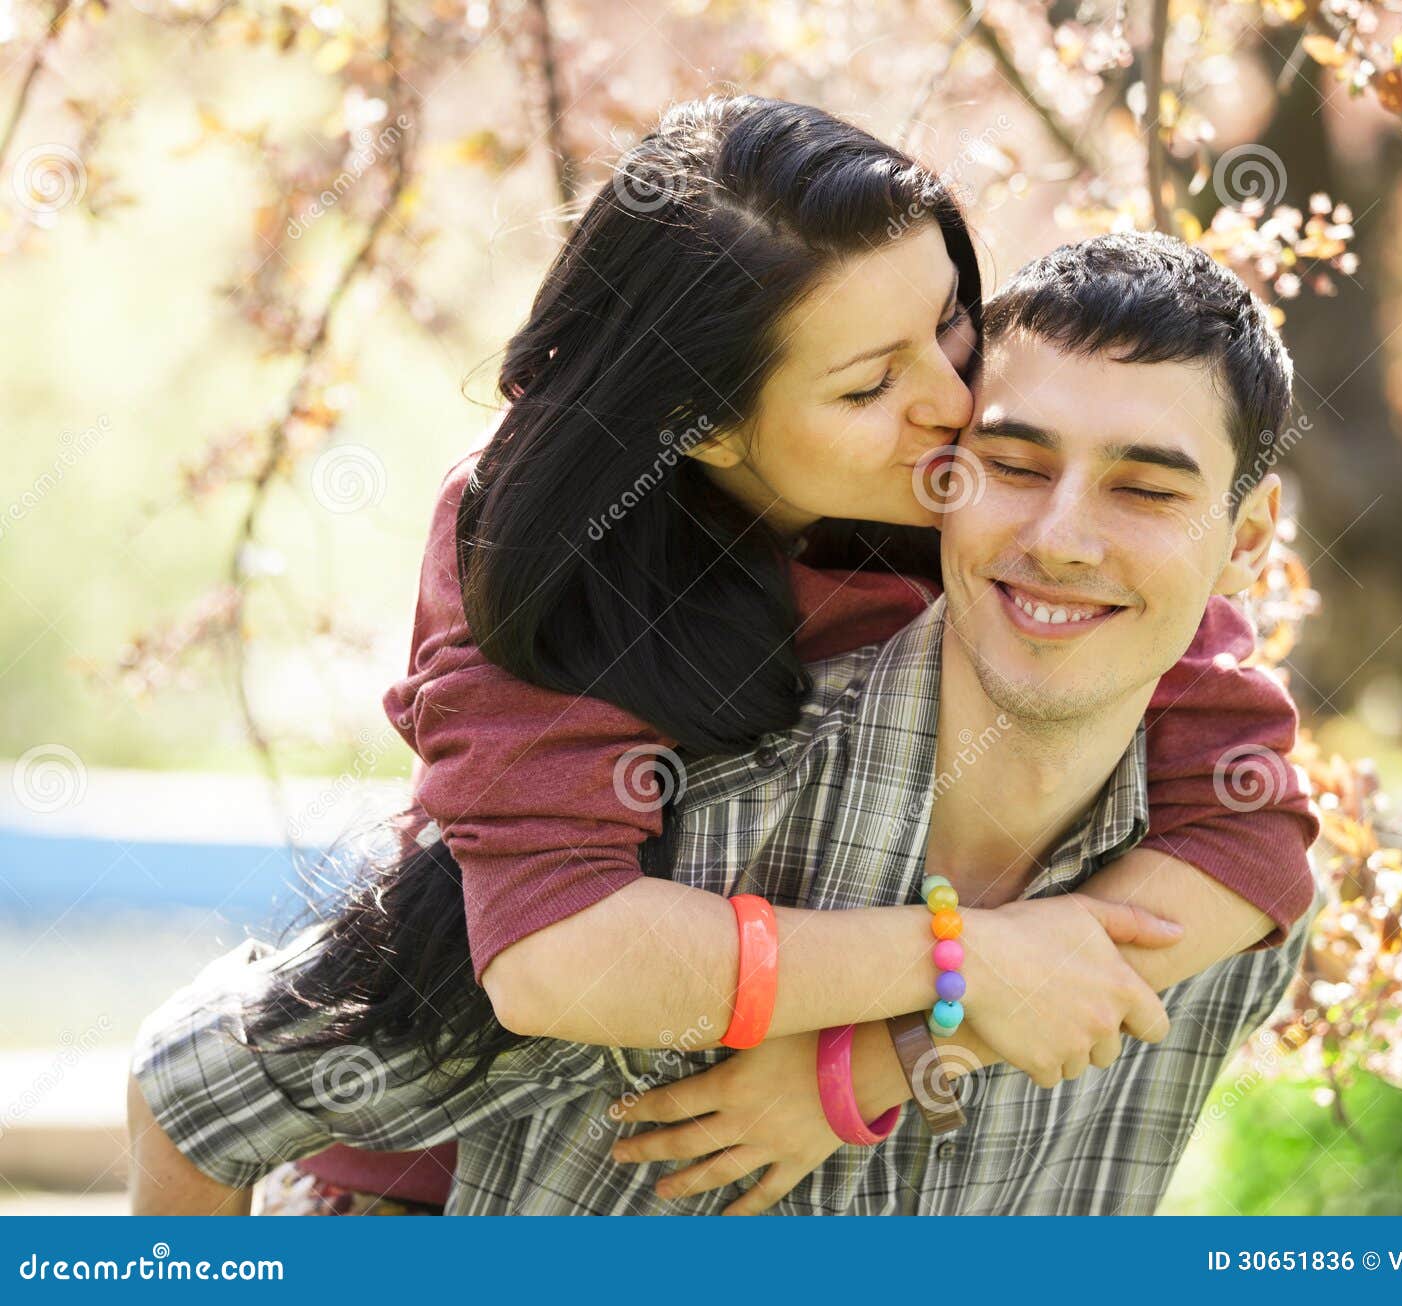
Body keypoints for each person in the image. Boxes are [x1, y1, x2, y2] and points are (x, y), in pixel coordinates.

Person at [129, 230, 1320, 1216]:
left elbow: (1249, 821)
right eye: (1012, 465)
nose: (1063, 535)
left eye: (1147, 489)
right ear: (945, 487)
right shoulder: (669, 864)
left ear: (1247, 539)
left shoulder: (1210, 911)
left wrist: (878, 1049)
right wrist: (952, 969)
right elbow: (199, 1094)